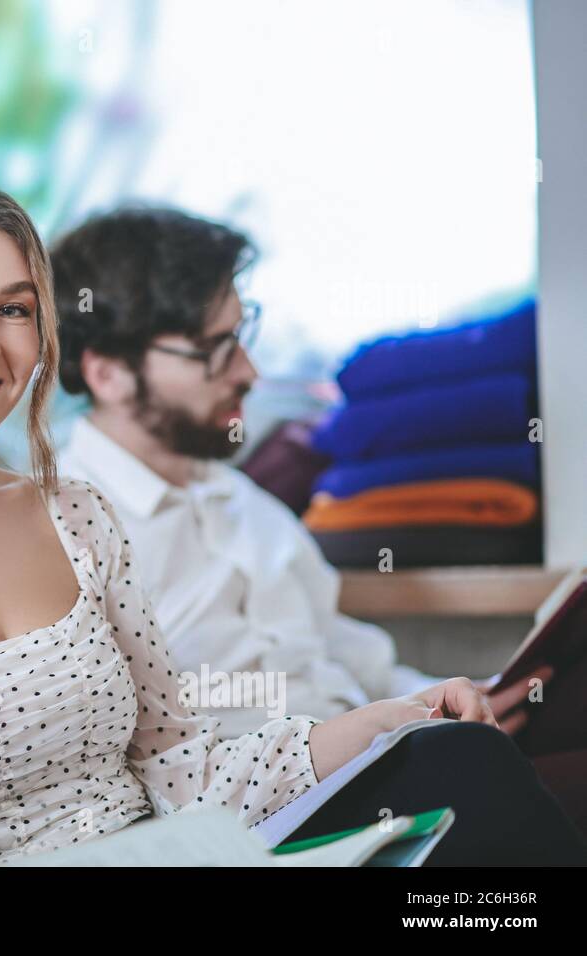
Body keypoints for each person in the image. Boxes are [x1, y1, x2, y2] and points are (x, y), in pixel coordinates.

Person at [0, 183, 586, 866]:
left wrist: (390, 717)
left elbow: (183, 768)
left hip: (185, 850)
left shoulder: (73, 515)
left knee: (462, 764)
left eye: (16, 308)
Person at [50, 205, 585, 832]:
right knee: (482, 782)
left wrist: (467, 693)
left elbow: (358, 661)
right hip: (263, 812)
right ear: (108, 373)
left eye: (242, 335)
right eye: (214, 351)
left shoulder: (247, 505)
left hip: (378, 759)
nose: (248, 372)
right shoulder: (64, 533)